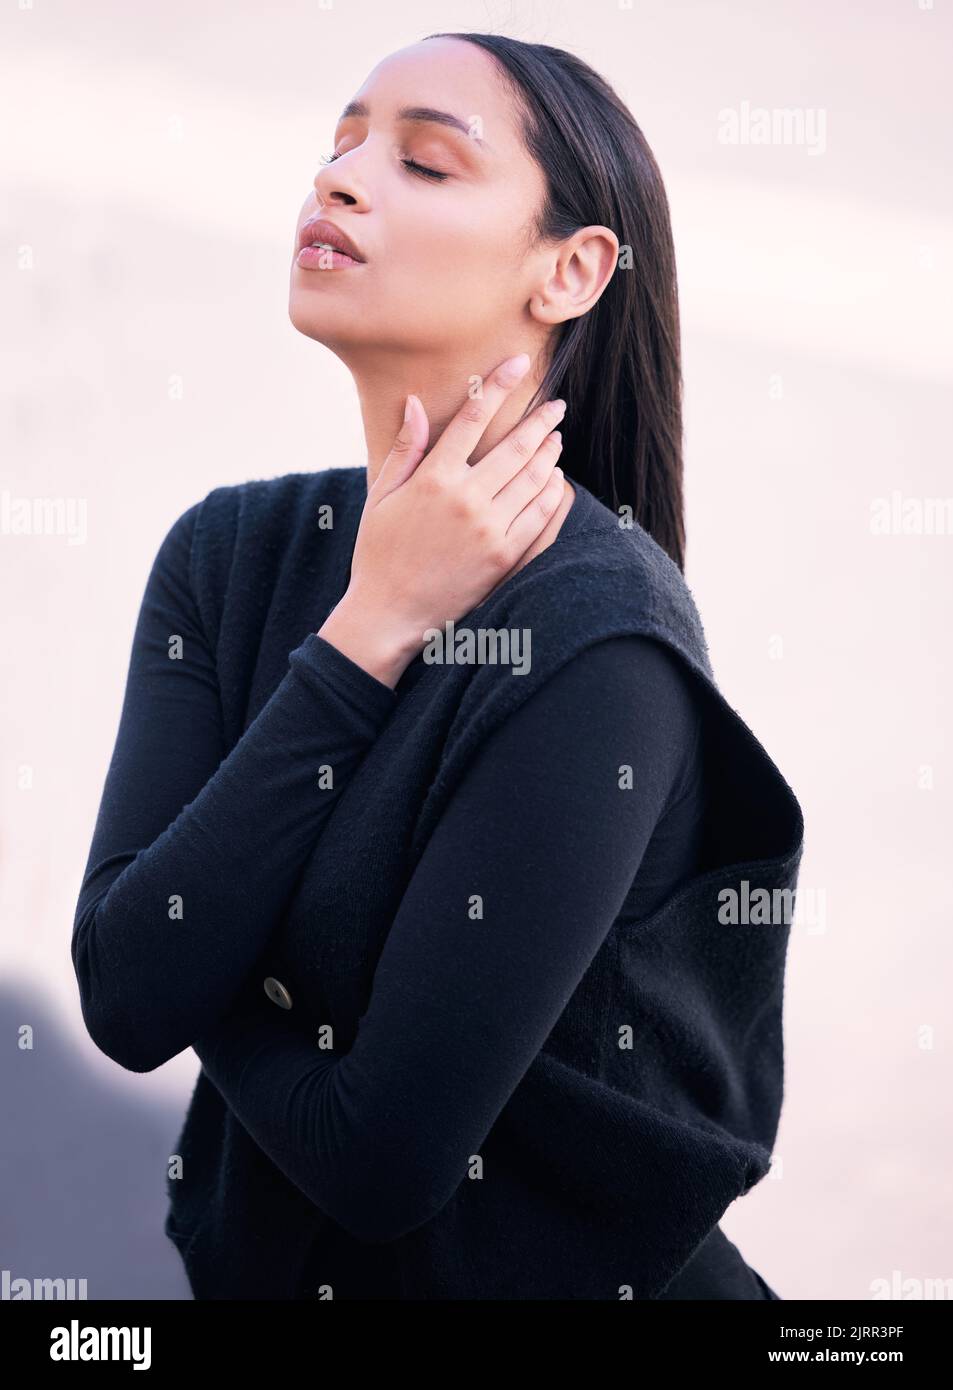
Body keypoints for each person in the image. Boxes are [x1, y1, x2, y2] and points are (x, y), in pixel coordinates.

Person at [72, 33, 803, 1300]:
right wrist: (370, 628)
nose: (343, 179)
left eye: (420, 160)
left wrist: (208, 957)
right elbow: (126, 997)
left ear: (569, 271)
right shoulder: (227, 554)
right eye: (342, 143)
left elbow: (379, 1160)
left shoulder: (599, 635)